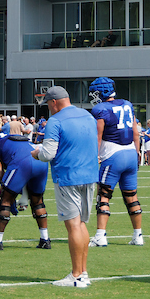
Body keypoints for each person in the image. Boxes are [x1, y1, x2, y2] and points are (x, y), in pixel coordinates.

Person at [32, 86, 98, 288]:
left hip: (68, 176)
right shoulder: (88, 116)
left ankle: (77, 275)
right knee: (82, 224)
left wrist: (35, 153)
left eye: (49, 105)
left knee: (73, 225)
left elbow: (48, 154)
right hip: (89, 174)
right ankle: (83, 272)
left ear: (54, 102)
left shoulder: (56, 120)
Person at [87, 77, 143, 248]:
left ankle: (100, 235)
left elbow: (98, 135)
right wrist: (138, 152)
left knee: (103, 195)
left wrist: (94, 156)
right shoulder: (127, 104)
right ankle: (138, 235)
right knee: (131, 196)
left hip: (112, 155)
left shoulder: (100, 109)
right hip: (130, 153)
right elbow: (135, 132)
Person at [0, 125, 50, 250]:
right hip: (40, 160)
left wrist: (9, 196)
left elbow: (0, 173)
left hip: (23, 162)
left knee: (4, 201)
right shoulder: (6, 138)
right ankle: (45, 239)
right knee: (38, 202)